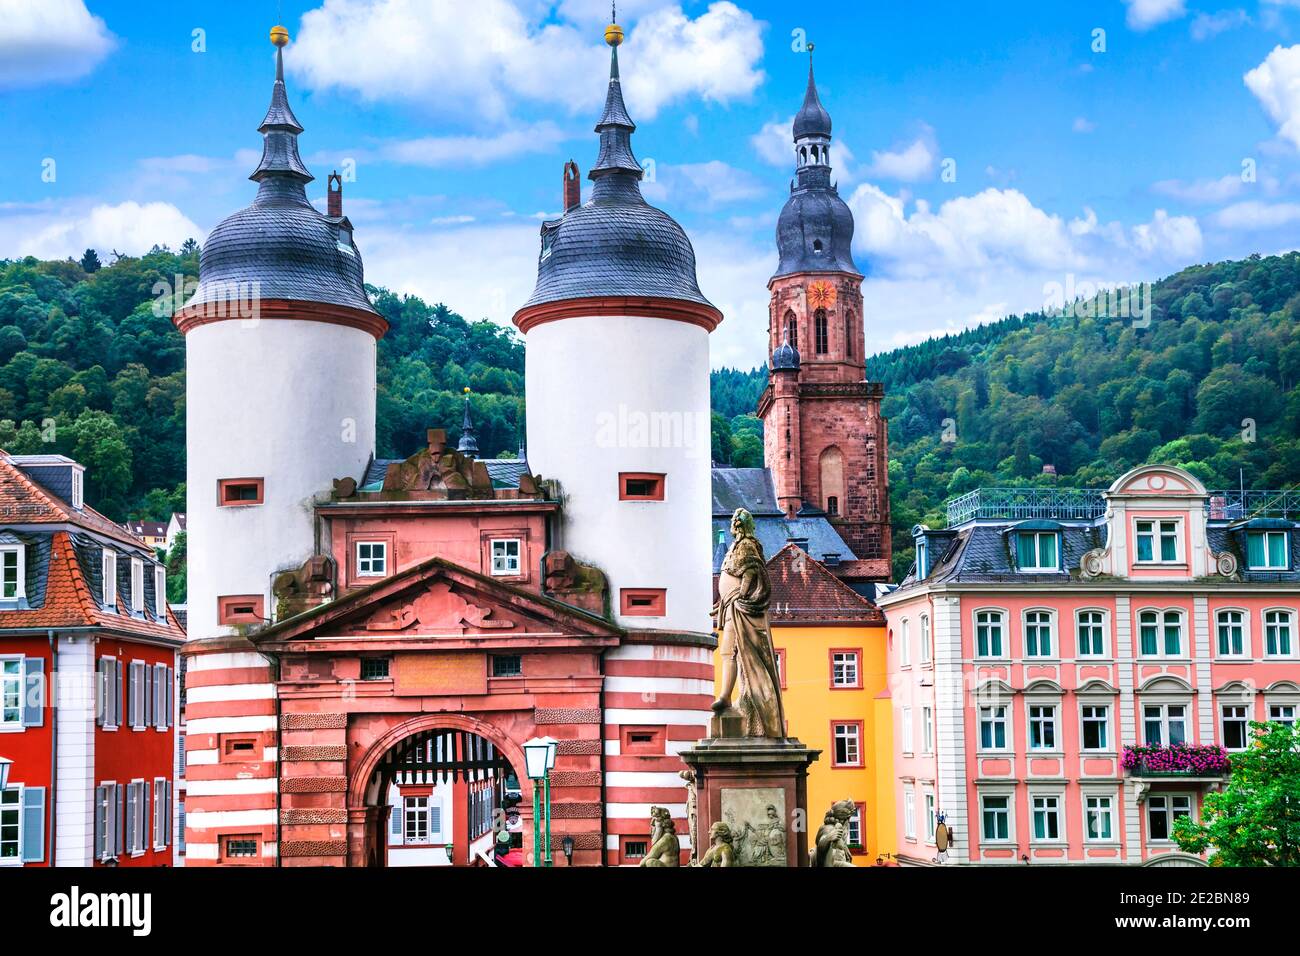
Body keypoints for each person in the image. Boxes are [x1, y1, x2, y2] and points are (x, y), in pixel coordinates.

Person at [712, 508, 786, 737]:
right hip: (730, 605)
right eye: (734, 520)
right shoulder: (734, 546)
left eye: (738, 521)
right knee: (728, 652)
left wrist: (742, 596)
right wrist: (721, 601)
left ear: (745, 525)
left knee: (733, 652)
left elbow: (751, 571)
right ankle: (726, 696)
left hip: (739, 607)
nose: (735, 524)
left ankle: (726, 696)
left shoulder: (747, 545)